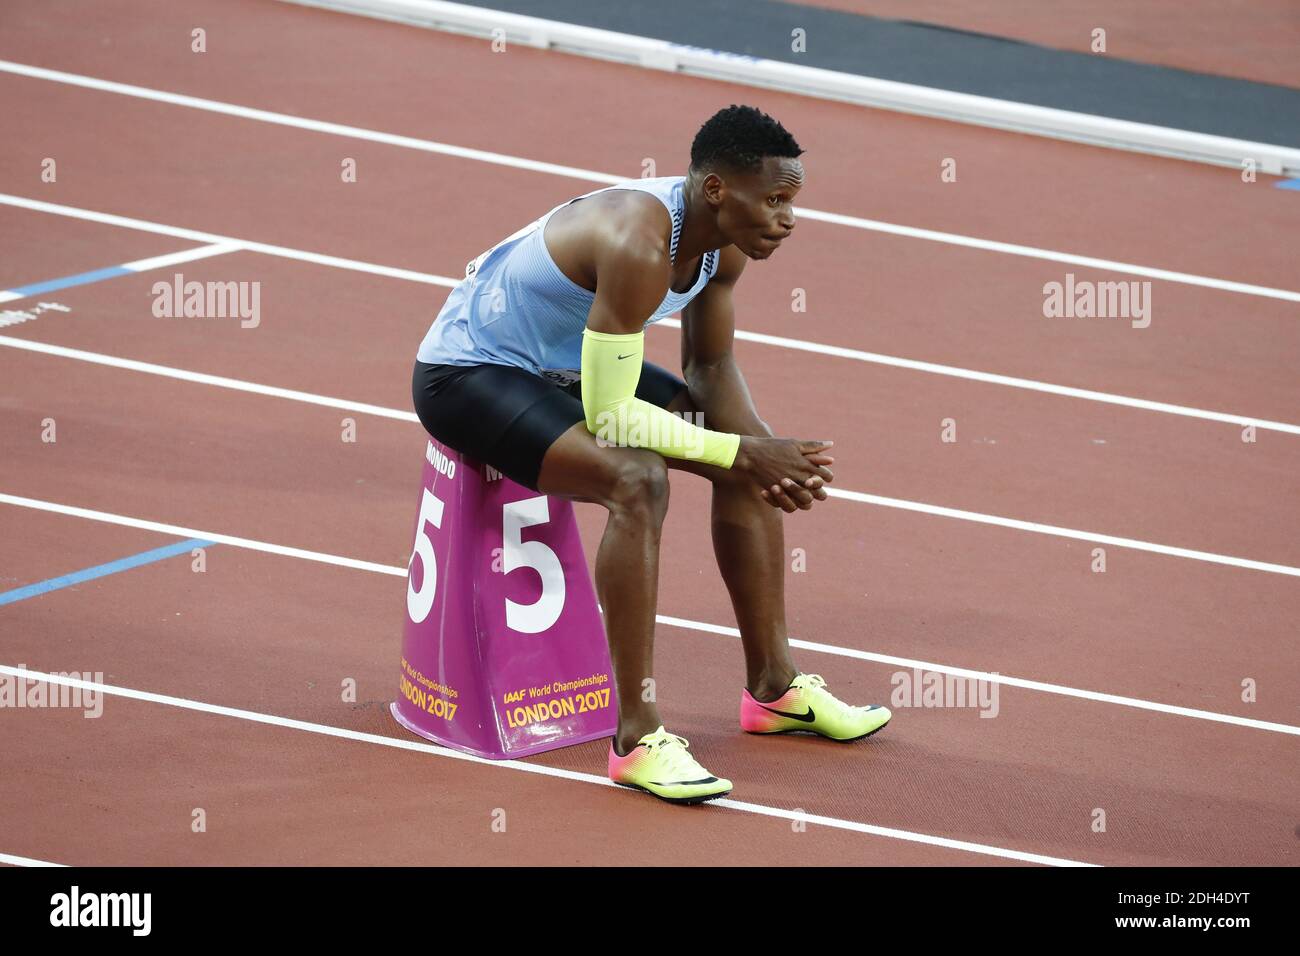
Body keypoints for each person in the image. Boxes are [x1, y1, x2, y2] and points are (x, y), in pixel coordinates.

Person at [412, 105, 890, 804]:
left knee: (745, 464)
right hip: (469, 373)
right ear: (720, 190)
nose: (788, 220)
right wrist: (743, 452)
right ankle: (635, 739)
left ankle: (775, 691)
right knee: (636, 480)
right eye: (777, 201)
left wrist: (758, 455)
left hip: (562, 366)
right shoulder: (640, 241)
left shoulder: (721, 244)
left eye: (794, 202)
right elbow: (611, 416)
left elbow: (712, 370)